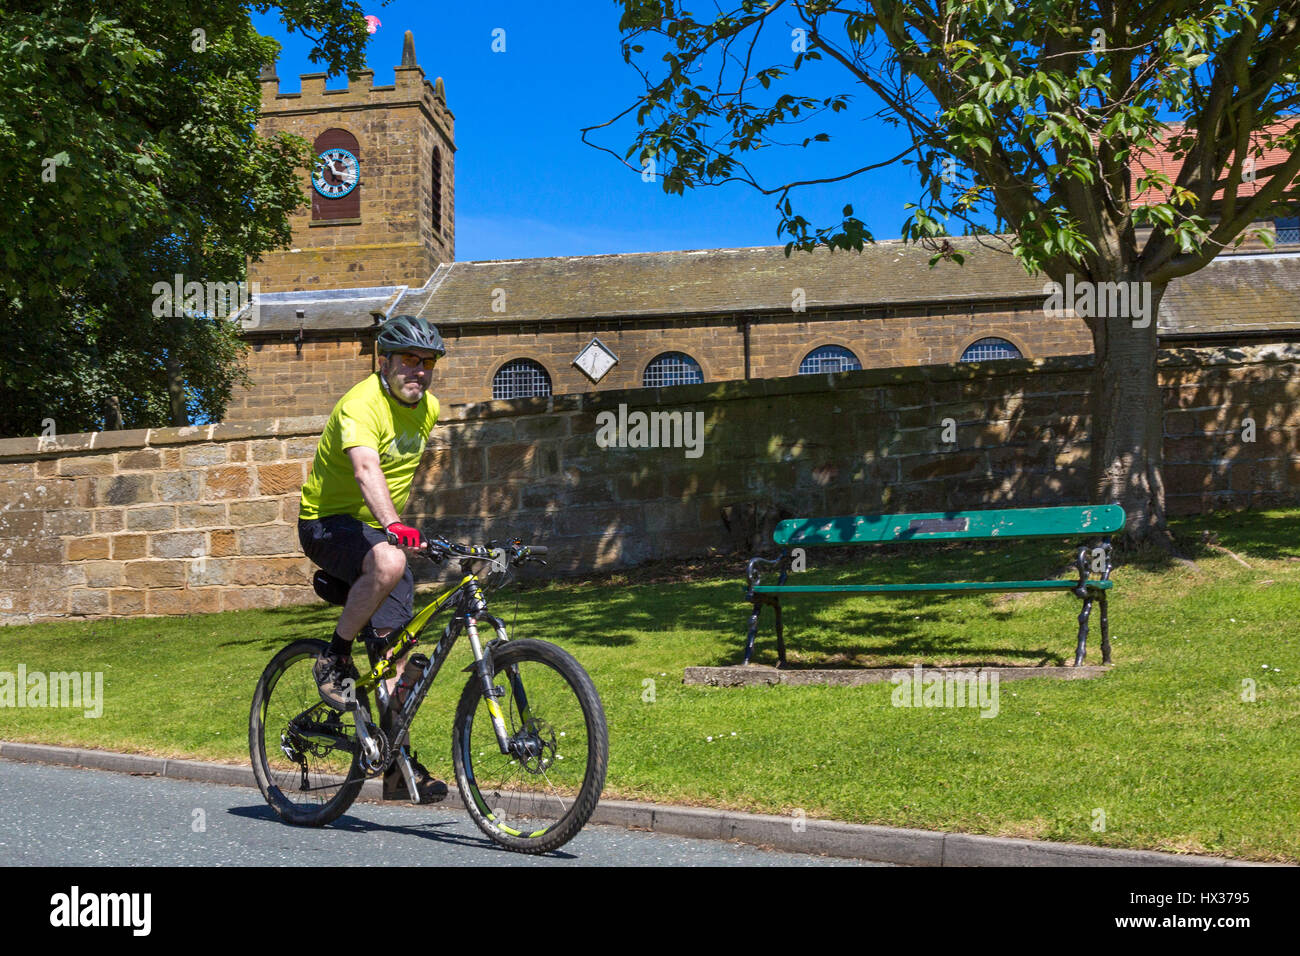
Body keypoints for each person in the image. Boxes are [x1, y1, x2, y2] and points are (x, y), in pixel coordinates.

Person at [297, 313, 447, 804]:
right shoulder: (361, 404)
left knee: (397, 660)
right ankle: (333, 657)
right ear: (386, 360)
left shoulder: (429, 408)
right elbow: (365, 469)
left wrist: (398, 532)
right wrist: (395, 527)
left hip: (378, 534)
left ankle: (397, 767)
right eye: (409, 359)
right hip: (326, 522)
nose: (418, 370)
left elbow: (396, 475)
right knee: (388, 562)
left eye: (428, 362)